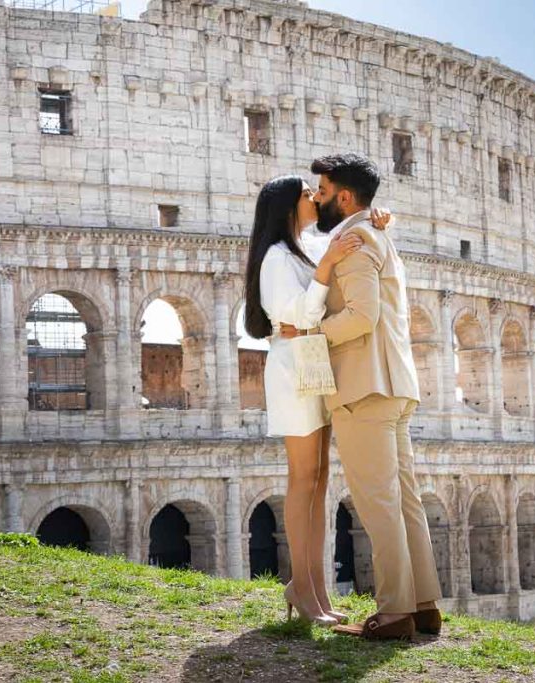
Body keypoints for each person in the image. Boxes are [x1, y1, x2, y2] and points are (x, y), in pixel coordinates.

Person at [282, 153, 442, 641]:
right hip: (392, 385)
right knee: (405, 500)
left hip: (363, 387)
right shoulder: (378, 235)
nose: (319, 198)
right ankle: (423, 606)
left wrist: (306, 331)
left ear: (345, 196)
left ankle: (394, 613)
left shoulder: (351, 243)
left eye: (324, 191)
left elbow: (360, 316)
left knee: (379, 503)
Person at [242, 174, 390, 626]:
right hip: (293, 369)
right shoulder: (274, 258)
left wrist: (380, 223)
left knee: (321, 482)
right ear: (289, 205)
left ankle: (315, 590)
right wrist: (325, 268)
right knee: (303, 480)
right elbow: (303, 313)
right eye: (308, 194)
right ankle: (302, 590)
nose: (315, 198)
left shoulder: (299, 250)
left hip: (311, 362)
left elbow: (314, 314)